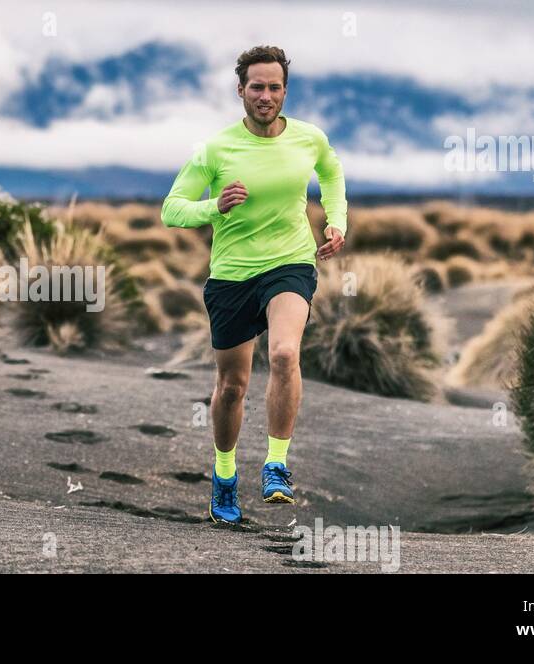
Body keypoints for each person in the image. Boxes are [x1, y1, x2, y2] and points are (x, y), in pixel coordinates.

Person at [160, 45, 348, 524]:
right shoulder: (216, 149)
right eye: (257, 87)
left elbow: (331, 172)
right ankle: (224, 477)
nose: (266, 96)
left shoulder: (309, 138)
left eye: (275, 87)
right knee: (231, 387)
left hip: (290, 264)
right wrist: (213, 206)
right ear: (241, 90)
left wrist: (336, 221)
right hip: (231, 276)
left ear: (286, 90)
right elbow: (172, 208)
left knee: (285, 354)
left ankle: (276, 464)